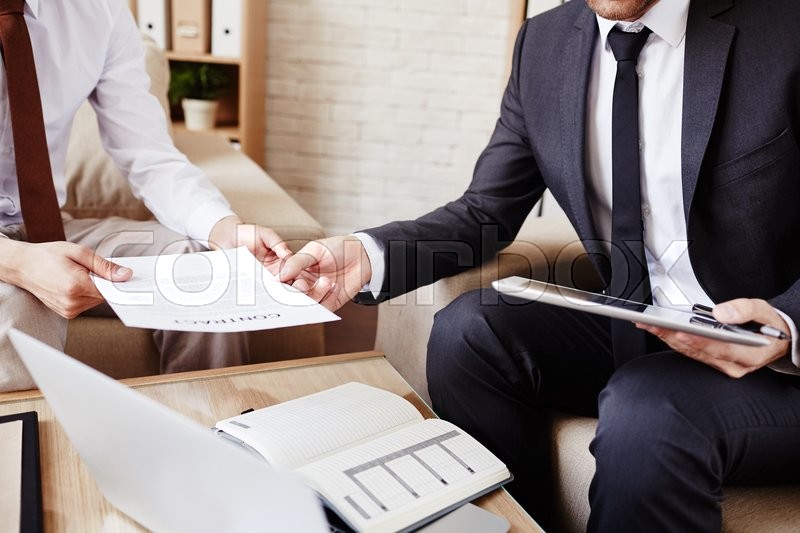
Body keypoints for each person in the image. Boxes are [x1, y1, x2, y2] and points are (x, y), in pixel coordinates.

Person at [279, 0, 800, 530]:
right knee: (469, 334)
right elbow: (486, 211)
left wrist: (785, 323)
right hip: (644, 323)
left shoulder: (785, 26)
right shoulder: (545, 43)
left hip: (777, 361)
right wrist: (368, 254)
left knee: (645, 411)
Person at [0, 0, 292, 392]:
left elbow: (149, 155)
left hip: (49, 229)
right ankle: (28, 453)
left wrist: (225, 228)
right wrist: (18, 262)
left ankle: (207, 436)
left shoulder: (97, 11)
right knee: (21, 306)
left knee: (209, 271)